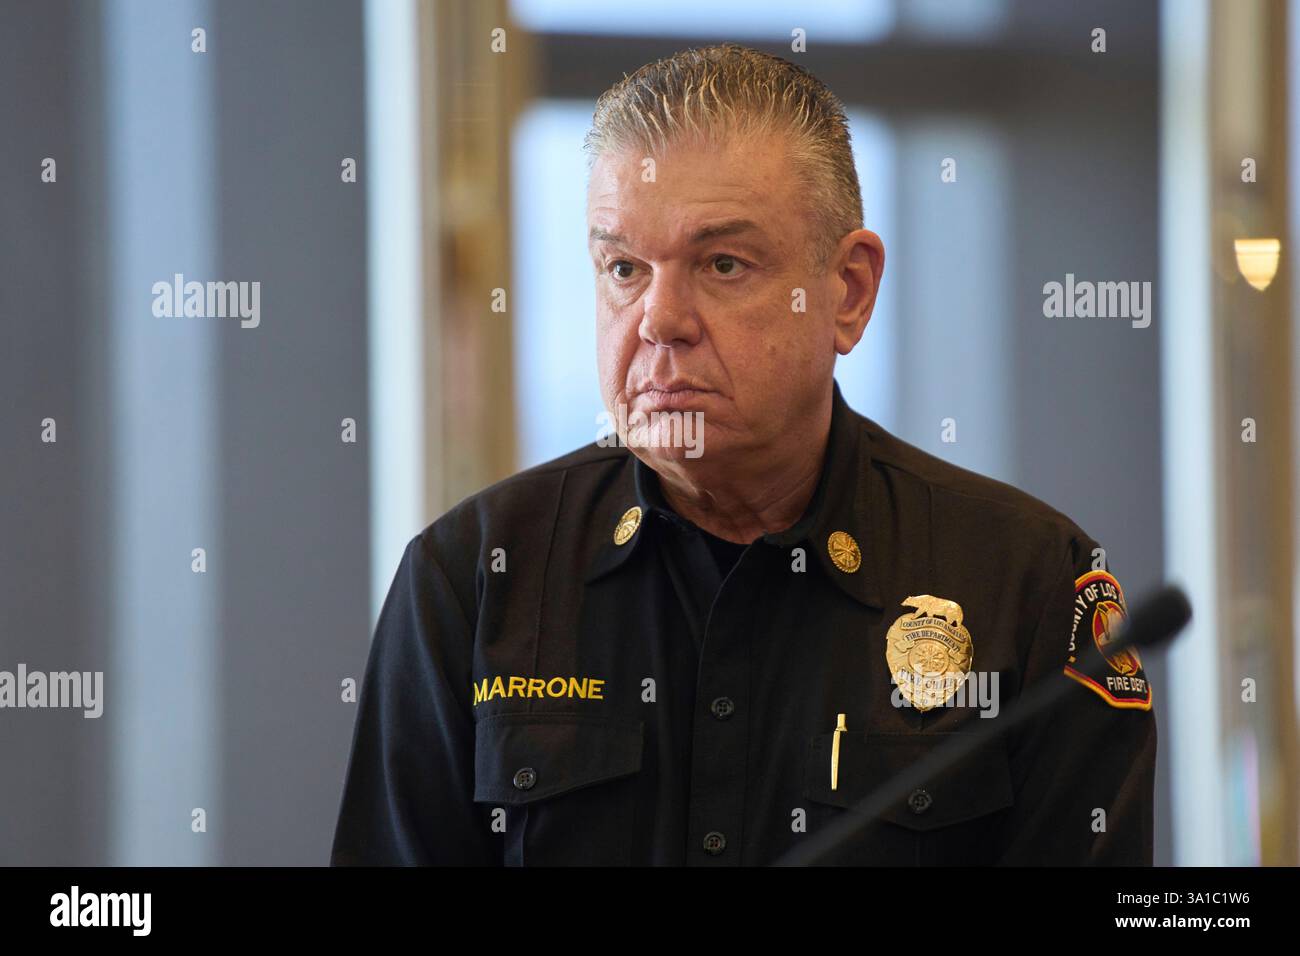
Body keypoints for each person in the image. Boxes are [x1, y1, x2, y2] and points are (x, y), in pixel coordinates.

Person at [330, 43, 1155, 866]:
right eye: (623, 267)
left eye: (722, 263)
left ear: (849, 291)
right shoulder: (475, 578)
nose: (658, 319)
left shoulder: (1032, 584)